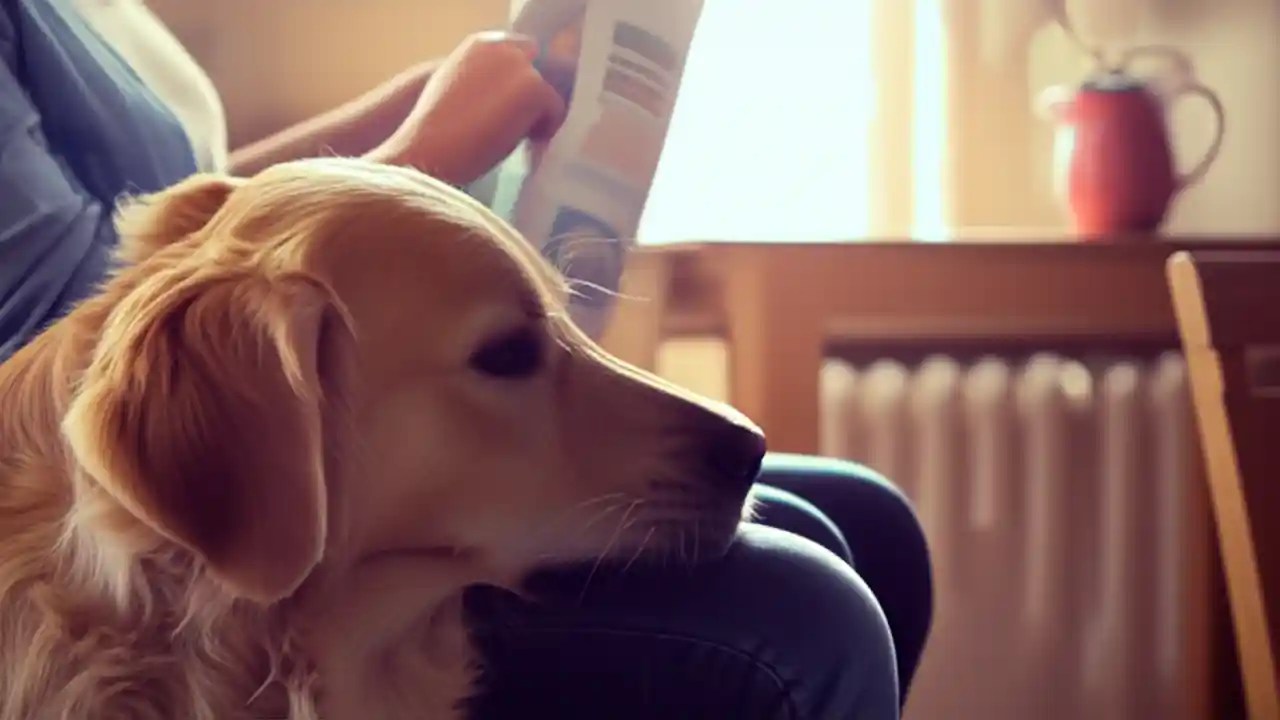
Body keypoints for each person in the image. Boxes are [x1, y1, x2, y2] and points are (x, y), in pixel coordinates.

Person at [0, 1, 932, 717]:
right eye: (509, 354)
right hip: (150, 569)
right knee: (808, 614)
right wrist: (423, 155)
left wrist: (391, 135)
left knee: (866, 520)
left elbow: (173, 220)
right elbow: (68, 316)